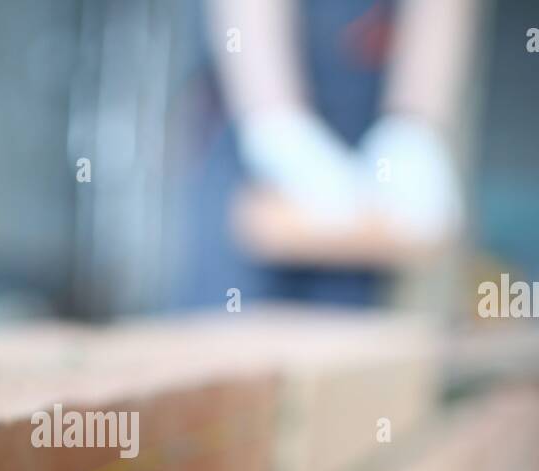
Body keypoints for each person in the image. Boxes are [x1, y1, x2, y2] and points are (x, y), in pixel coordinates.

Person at [178, 0, 475, 309]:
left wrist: (414, 129)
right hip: (249, 116)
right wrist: (278, 125)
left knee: (351, 331)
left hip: (364, 128)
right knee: (232, 319)